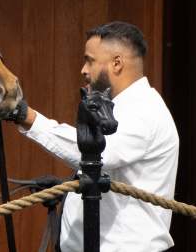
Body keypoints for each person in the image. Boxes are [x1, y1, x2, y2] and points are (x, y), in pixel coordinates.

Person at [13, 22, 180, 252]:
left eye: (90, 60)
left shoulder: (145, 111)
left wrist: (27, 117)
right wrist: (66, 189)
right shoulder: (124, 107)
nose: (83, 70)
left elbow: (100, 153)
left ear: (117, 63)